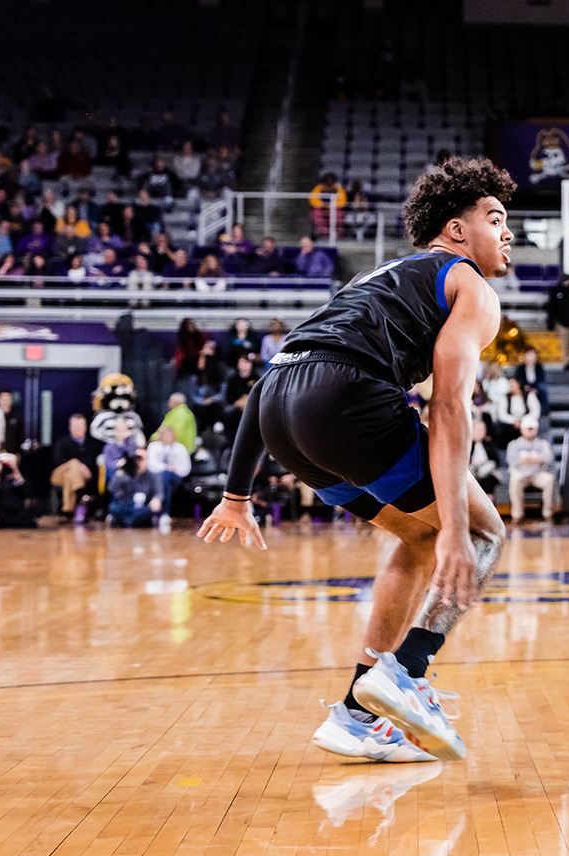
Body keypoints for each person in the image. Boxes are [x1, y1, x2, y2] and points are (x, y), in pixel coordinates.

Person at [198, 157, 517, 766]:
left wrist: (236, 493)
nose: (507, 234)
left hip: (284, 416)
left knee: (416, 540)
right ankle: (407, 673)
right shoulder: (470, 285)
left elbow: (278, 371)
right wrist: (457, 527)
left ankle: (357, 713)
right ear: (455, 232)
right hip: (345, 401)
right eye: (495, 219)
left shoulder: (375, 279)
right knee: (482, 532)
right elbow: (447, 407)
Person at [503, 417, 556, 524]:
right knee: (515, 480)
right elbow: (512, 461)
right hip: (520, 473)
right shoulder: (514, 444)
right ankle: (517, 515)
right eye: (528, 429)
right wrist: (536, 459)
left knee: (549, 479)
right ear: (522, 430)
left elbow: (548, 458)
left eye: (533, 429)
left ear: (536, 430)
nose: (531, 431)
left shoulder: (543, 443)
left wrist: (526, 460)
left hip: (537, 473)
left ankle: (547, 514)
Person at [52, 413, 101, 518]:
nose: (78, 429)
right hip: (59, 475)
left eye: (81, 426)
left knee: (71, 477)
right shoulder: (62, 442)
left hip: (76, 478)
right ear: (70, 428)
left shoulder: (94, 444)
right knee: (74, 463)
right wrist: (80, 467)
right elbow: (58, 460)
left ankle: (67, 510)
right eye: (75, 426)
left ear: (85, 427)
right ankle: (80, 491)